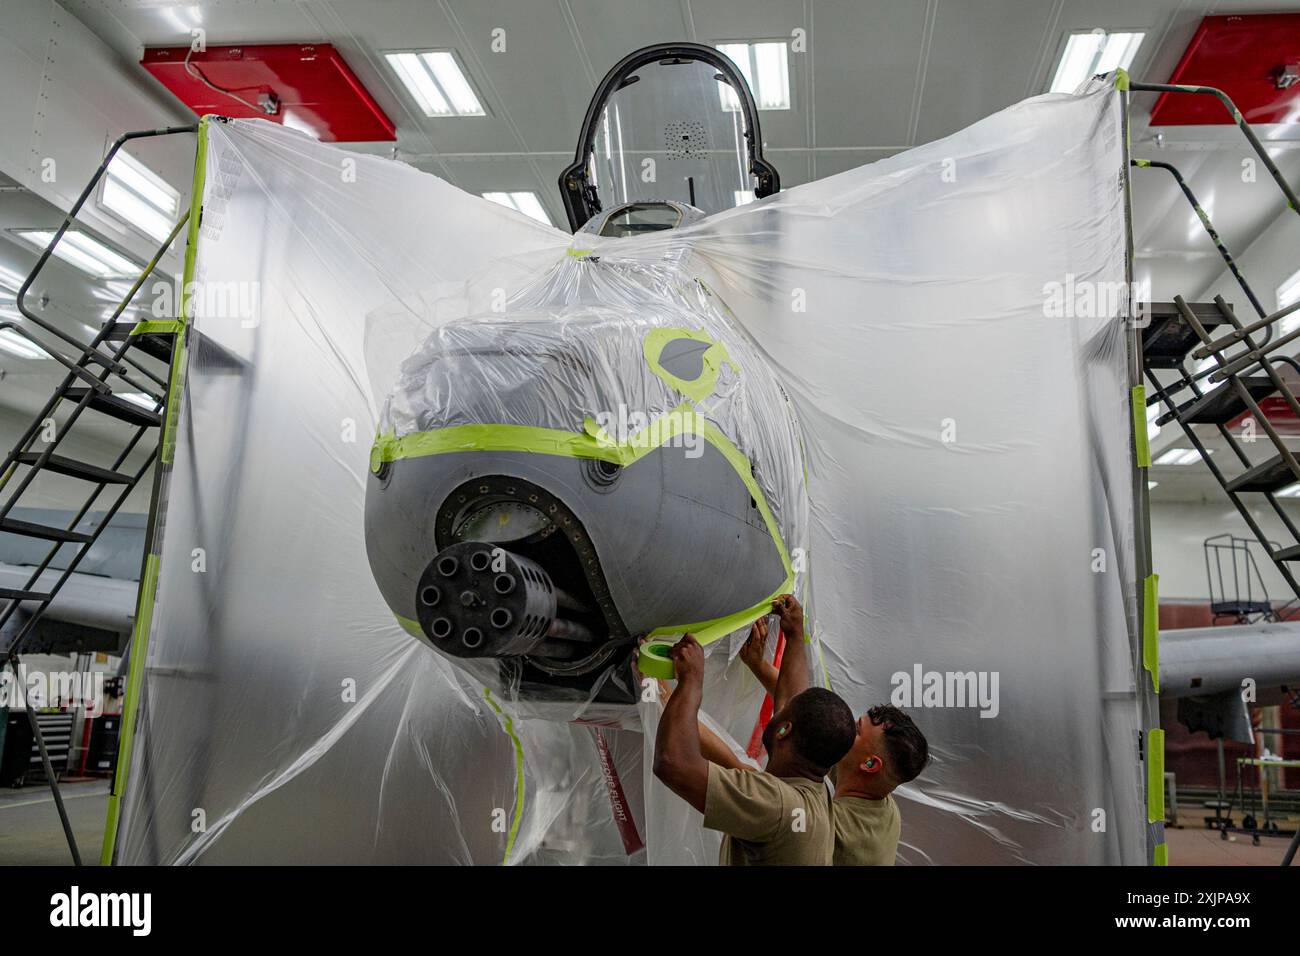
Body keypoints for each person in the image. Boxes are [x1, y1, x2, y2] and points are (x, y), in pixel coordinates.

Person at [707, 601, 930, 865]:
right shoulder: (875, 791)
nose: (846, 729)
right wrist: (759, 663)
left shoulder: (837, 830)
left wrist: (665, 700)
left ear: (870, 764)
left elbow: (753, 785)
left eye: (856, 732)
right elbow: (808, 718)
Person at [651, 595, 856, 866]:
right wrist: (795, 634)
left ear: (784, 731)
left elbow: (673, 763)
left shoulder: (778, 805)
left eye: (781, 712)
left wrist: (691, 682)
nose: (778, 704)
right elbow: (793, 698)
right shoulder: (818, 791)